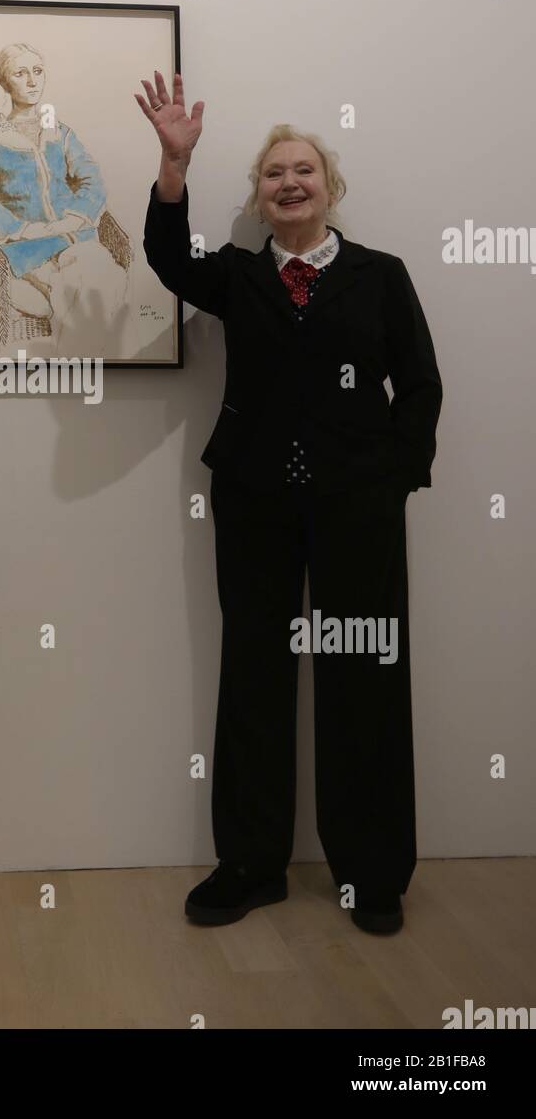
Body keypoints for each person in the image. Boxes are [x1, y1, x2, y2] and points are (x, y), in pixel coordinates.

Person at [138, 71, 442, 935]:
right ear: (259, 196)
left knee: (365, 684)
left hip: (360, 512)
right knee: (256, 677)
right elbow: (165, 259)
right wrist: (171, 164)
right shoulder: (237, 277)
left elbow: (419, 386)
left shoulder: (382, 277)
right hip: (255, 503)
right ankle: (249, 865)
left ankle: (371, 873)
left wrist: (395, 477)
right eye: (273, 174)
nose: (289, 183)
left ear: (329, 187)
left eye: (303, 170)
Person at [0, 42, 130, 352]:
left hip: (75, 238)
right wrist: (22, 229)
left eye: (38, 71)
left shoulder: (59, 132)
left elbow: (92, 179)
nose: (32, 81)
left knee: (95, 269)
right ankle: (91, 370)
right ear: (4, 81)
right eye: (21, 73)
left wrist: (76, 218)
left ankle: (89, 364)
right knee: (89, 282)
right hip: (27, 251)